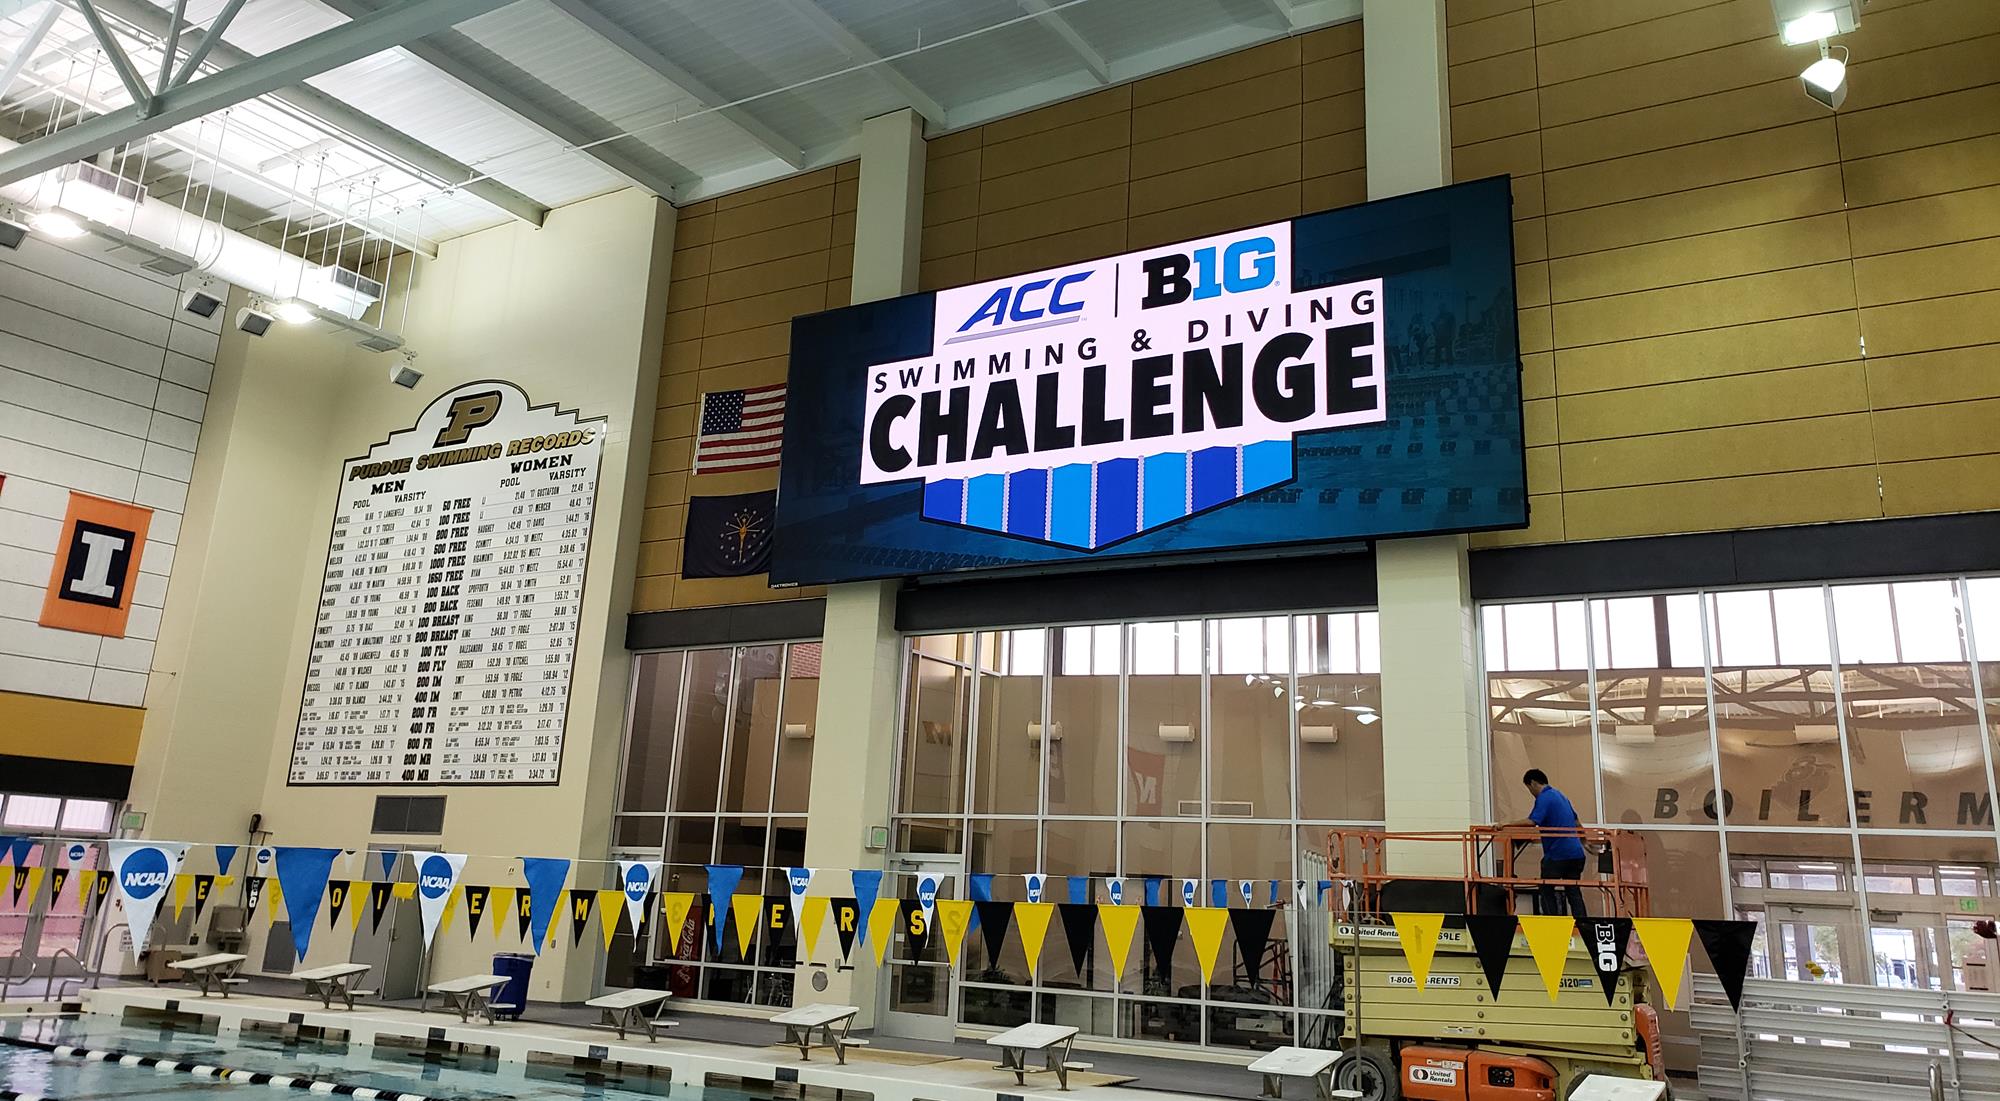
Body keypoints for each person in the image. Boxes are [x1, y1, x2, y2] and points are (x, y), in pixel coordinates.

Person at [1508, 769, 1588, 920]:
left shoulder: (1544, 798)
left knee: (1545, 887)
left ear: (1532, 783)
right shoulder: (1561, 796)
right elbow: (1577, 822)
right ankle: (1582, 922)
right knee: (1573, 889)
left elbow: (1532, 821)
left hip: (1559, 854)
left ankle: (1552, 921)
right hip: (1576, 854)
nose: (1531, 793)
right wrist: (1585, 842)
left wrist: (1506, 824)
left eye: (1529, 788)